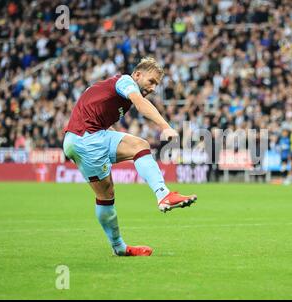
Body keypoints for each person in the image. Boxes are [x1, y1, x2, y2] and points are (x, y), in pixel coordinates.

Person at [62, 57, 197, 257]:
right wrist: (165, 127)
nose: (152, 88)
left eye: (156, 85)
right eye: (151, 81)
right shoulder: (125, 81)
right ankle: (161, 197)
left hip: (82, 138)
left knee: (108, 193)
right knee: (135, 152)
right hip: (87, 138)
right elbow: (142, 105)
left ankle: (122, 245)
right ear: (137, 75)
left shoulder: (118, 93)